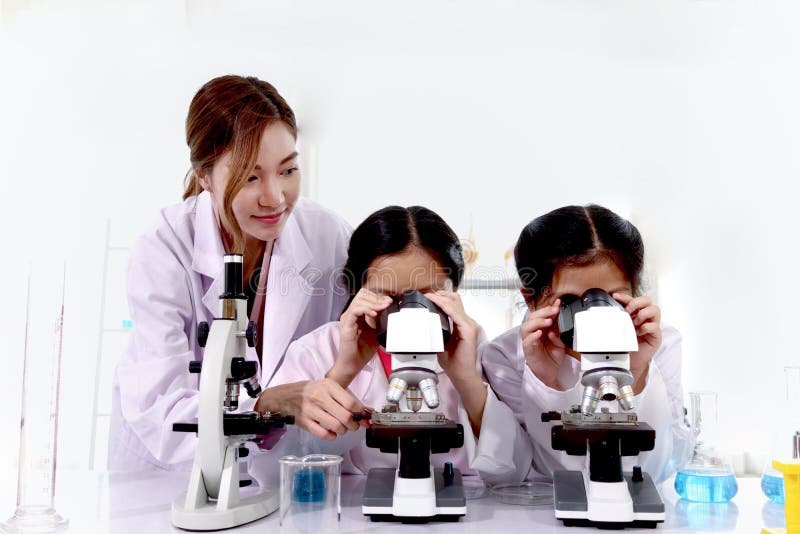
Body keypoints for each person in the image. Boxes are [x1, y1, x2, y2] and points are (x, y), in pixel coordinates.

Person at [108, 75, 360, 471]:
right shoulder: (165, 247)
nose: (274, 197)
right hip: (173, 475)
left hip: (285, 473)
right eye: (250, 177)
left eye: (288, 170)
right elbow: (163, 409)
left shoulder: (329, 236)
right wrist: (266, 406)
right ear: (204, 176)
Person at [249, 206, 533, 486]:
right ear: (357, 290)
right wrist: (342, 372)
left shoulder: (472, 345)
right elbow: (273, 475)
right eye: (389, 297)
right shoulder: (318, 350)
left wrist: (466, 379)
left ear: (453, 291)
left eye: (427, 297)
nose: (409, 312)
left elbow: (514, 473)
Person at [480, 204, 687, 482]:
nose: (591, 316)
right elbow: (533, 471)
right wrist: (545, 382)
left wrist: (636, 372)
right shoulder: (505, 357)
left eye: (611, 298)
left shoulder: (660, 343)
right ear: (531, 298)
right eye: (570, 302)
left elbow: (658, 468)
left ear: (634, 292)